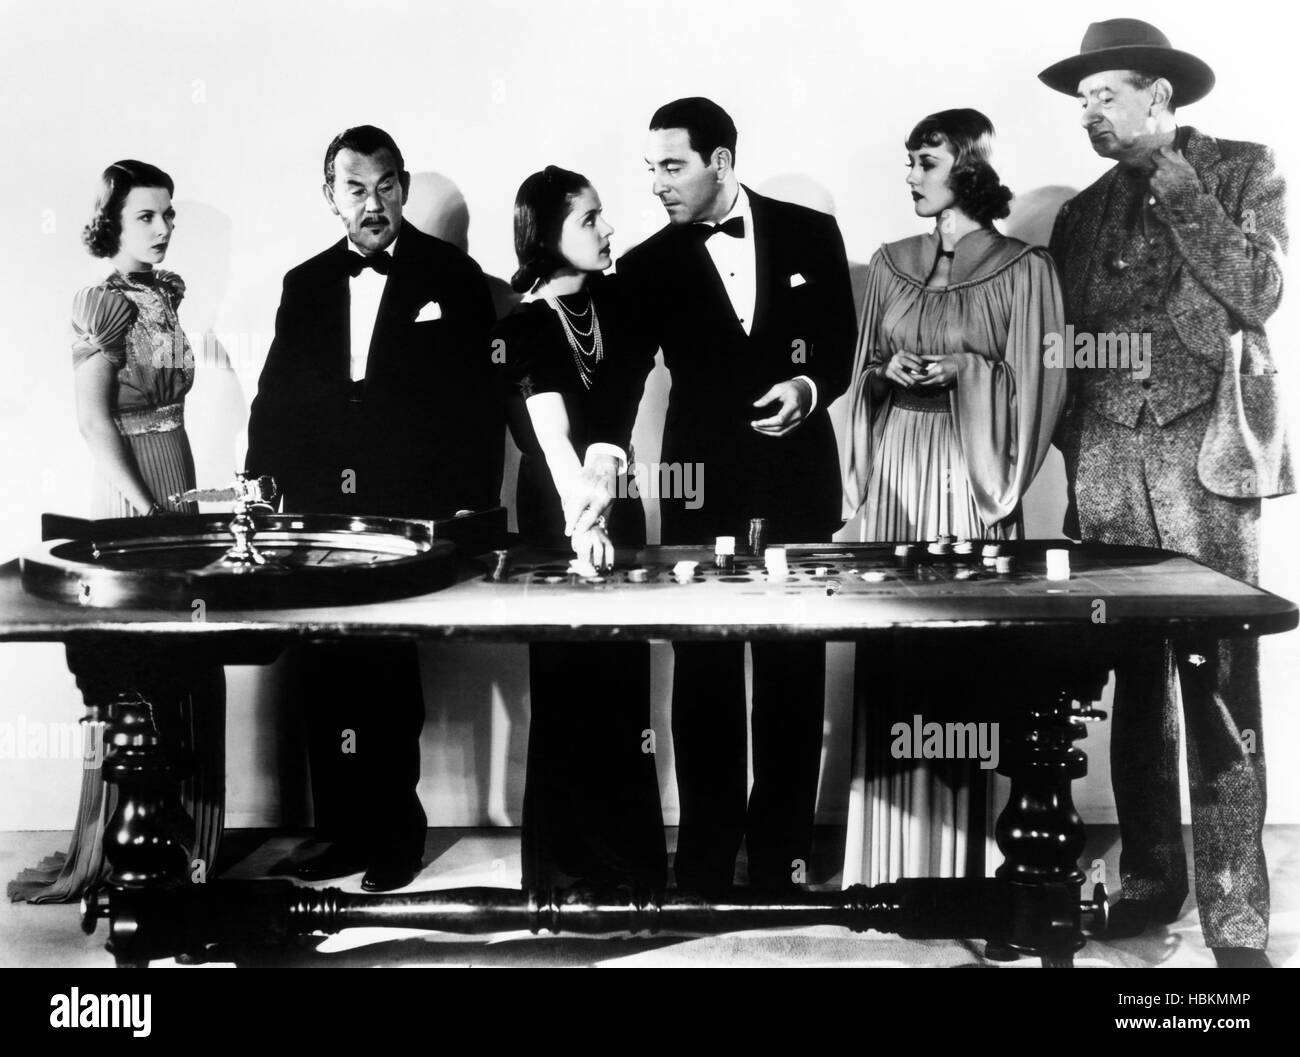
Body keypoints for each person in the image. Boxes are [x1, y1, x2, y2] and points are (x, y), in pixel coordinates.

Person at [1040, 18, 1289, 968]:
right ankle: (1149, 883)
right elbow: (1064, 348)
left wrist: (1176, 183)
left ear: (1160, 97)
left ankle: (1233, 920)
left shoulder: (1242, 169)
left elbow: (1257, 290)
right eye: (1083, 102)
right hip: (1107, 469)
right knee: (1135, 688)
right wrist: (1072, 450)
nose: (1090, 115)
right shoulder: (1079, 215)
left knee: (1220, 689)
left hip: (1206, 468)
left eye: (1105, 97)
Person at [245, 126, 502, 892]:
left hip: (409, 510)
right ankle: (342, 834)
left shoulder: (453, 275)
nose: (374, 202)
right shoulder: (305, 282)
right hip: (320, 508)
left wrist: (467, 502)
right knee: (324, 671)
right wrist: (263, 482)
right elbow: (277, 394)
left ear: (403, 187)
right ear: (330, 195)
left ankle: (396, 836)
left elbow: (479, 404)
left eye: (387, 184)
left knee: (389, 676)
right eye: (356, 188)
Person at [614, 97, 857, 893]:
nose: (656, 184)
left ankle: (784, 856)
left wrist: (807, 384)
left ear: (721, 161)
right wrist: (595, 451)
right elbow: (617, 378)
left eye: (672, 165)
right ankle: (708, 860)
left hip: (798, 488)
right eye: (650, 167)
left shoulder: (810, 233)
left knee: (793, 673)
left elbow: (839, 344)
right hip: (700, 494)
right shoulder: (647, 263)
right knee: (706, 673)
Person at [840, 111, 1068, 886]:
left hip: (970, 474)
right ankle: (885, 866)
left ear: (966, 167)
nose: (909, 176)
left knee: (966, 650)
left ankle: (968, 869)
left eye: (925, 162)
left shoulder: (1023, 268)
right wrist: (885, 373)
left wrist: (967, 371)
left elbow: (1039, 383)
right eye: (907, 162)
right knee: (897, 645)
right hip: (901, 467)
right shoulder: (889, 261)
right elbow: (862, 367)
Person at [10, 160, 225, 903]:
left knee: (194, 656)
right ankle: (120, 840)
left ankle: (192, 844)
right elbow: (92, 422)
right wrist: (146, 505)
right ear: (113, 221)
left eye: (170, 215)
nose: (164, 230)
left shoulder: (167, 293)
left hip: (181, 479)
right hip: (130, 488)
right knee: (136, 664)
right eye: (147, 217)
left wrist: (181, 503)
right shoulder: (97, 302)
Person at [494, 166, 666, 891]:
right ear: (546, 232)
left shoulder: (619, 301)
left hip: (618, 503)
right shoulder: (521, 324)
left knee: (623, 691)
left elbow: (618, 404)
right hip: (552, 515)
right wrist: (578, 518)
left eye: (603, 216)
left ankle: (629, 873)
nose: (608, 228)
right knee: (565, 690)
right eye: (590, 218)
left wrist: (608, 468)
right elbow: (551, 433)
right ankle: (563, 878)